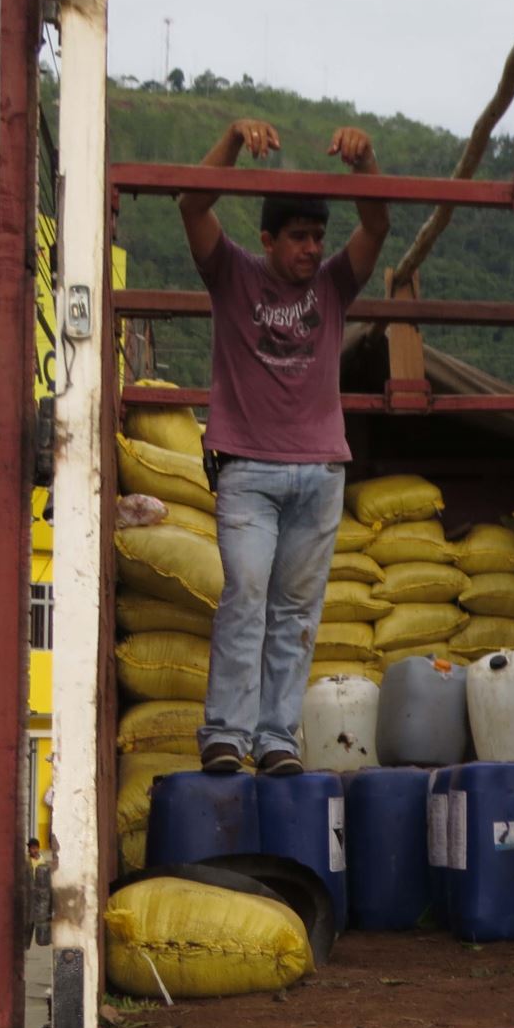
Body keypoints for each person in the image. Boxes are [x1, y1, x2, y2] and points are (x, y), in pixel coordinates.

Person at [182, 119, 390, 775]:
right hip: (247, 468)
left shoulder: (333, 285)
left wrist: (365, 162)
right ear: (267, 239)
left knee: (297, 611)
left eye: (317, 237)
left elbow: (377, 226)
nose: (311, 249)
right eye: (298, 237)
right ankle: (226, 733)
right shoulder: (232, 273)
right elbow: (192, 205)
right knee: (246, 594)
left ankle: (276, 738)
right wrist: (230, 140)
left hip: (320, 470)